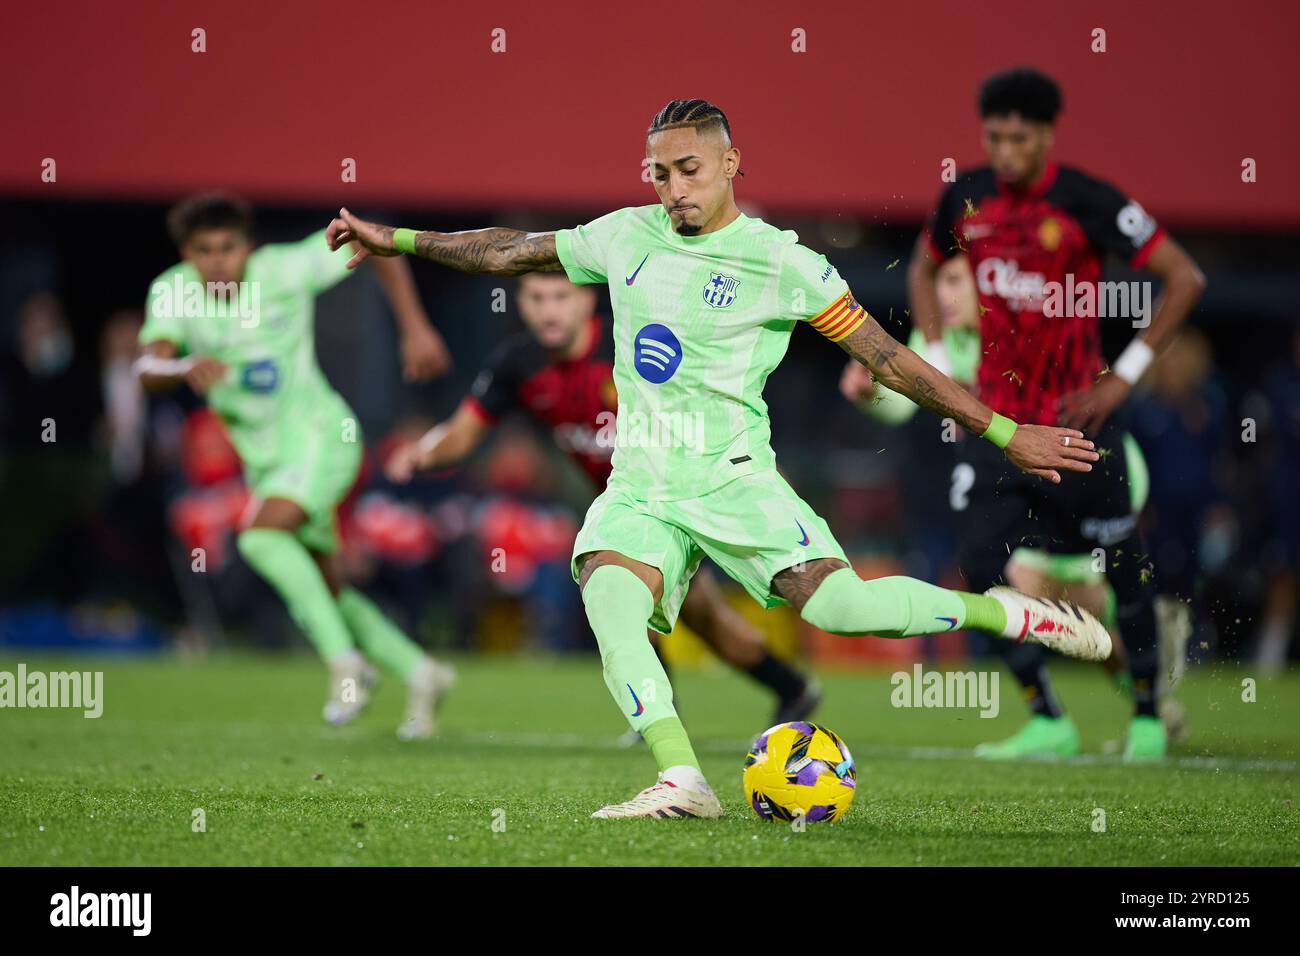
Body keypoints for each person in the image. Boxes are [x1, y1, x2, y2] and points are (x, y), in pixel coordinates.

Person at [326, 98, 1107, 819]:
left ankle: (1013, 611)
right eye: (659, 173)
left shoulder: (782, 262)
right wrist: (392, 238)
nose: (673, 188)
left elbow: (891, 360)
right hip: (641, 487)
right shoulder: (625, 235)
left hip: (733, 480)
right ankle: (680, 777)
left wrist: (1007, 433)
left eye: (689, 169)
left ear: (733, 164)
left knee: (845, 609)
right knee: (607, 591)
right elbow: (507, 252)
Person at [906, 68, 1206, 761]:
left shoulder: (1088, 201)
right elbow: (922, 269)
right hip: (1000, 428)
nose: (1006, 150)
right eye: (995, 136)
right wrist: (936, 356)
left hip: (1080, 425)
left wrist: (1123, 378)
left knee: (1125, 571)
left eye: (1020, 137)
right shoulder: (966, 195)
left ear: (1046, 136)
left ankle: (1147, 720)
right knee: (979, 563)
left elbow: (1185, 276)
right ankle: (1048, 716)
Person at [385, 269, 823, 727]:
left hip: (691, 489)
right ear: (520, 302)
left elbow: (707, 399)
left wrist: (754, 469)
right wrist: (420, 455)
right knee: (667, 604)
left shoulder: (631, 344)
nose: (548, 309)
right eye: (536, 297)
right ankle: (782, 689)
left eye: (560, 296)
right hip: (631, 504)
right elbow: (462, 432)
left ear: (587, 302)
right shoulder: (518, 365)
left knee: (669, 599)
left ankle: (701, 704)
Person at [136, 194, 455, 739]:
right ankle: (421, 672)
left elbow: (371, 242)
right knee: (325, 583)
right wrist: (182, 364)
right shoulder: (171, 290)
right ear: (186, 253)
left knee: (260, 538)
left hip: (322, 437)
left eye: (227, 247)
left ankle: (345, 666)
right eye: (203, 250)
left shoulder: (283, 268)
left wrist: (414, 327)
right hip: (268, 461)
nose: (217, 260)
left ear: (248, 246)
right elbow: (148, 366)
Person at [842, 256, 1189, 747]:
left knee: (1074, 595)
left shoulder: (1032, 319)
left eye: (957, 280)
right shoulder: (941, 340)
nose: (945, 295)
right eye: (939, 280)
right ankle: (1063, 713)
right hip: (1020, 477)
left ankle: (1145, 699)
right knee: (1013, 585)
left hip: (1085, 462)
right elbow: (901, 400)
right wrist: (868, 392)